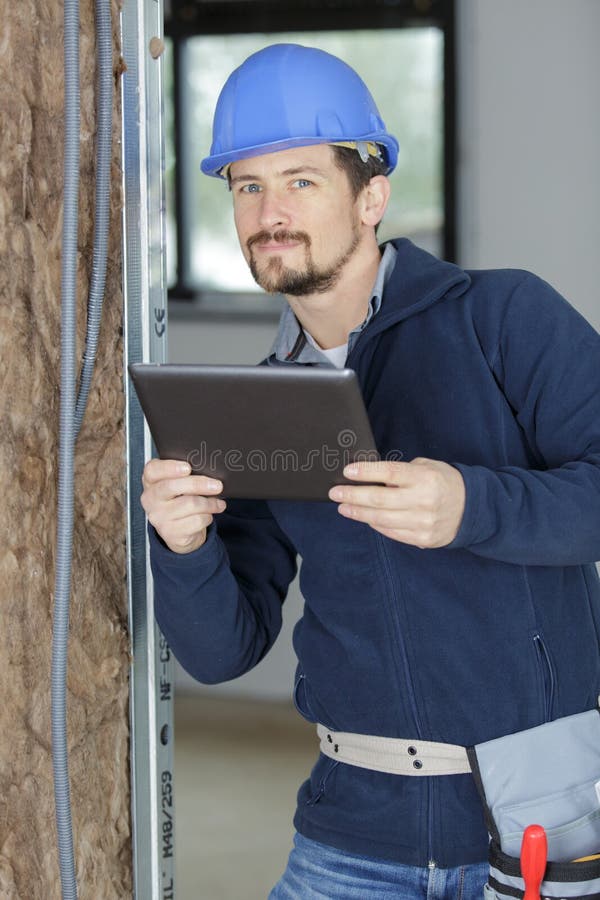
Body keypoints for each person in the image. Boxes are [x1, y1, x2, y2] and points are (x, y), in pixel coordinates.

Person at [141, 44, 600, 899]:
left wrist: (473, 505)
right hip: (349, 838)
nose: (269, 212)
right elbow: (223, 653)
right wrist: (181, 544)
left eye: (301, 180)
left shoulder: (504, 317)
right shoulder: (258, 409)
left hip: (540, 820)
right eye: (247, 186)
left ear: (372, 195)